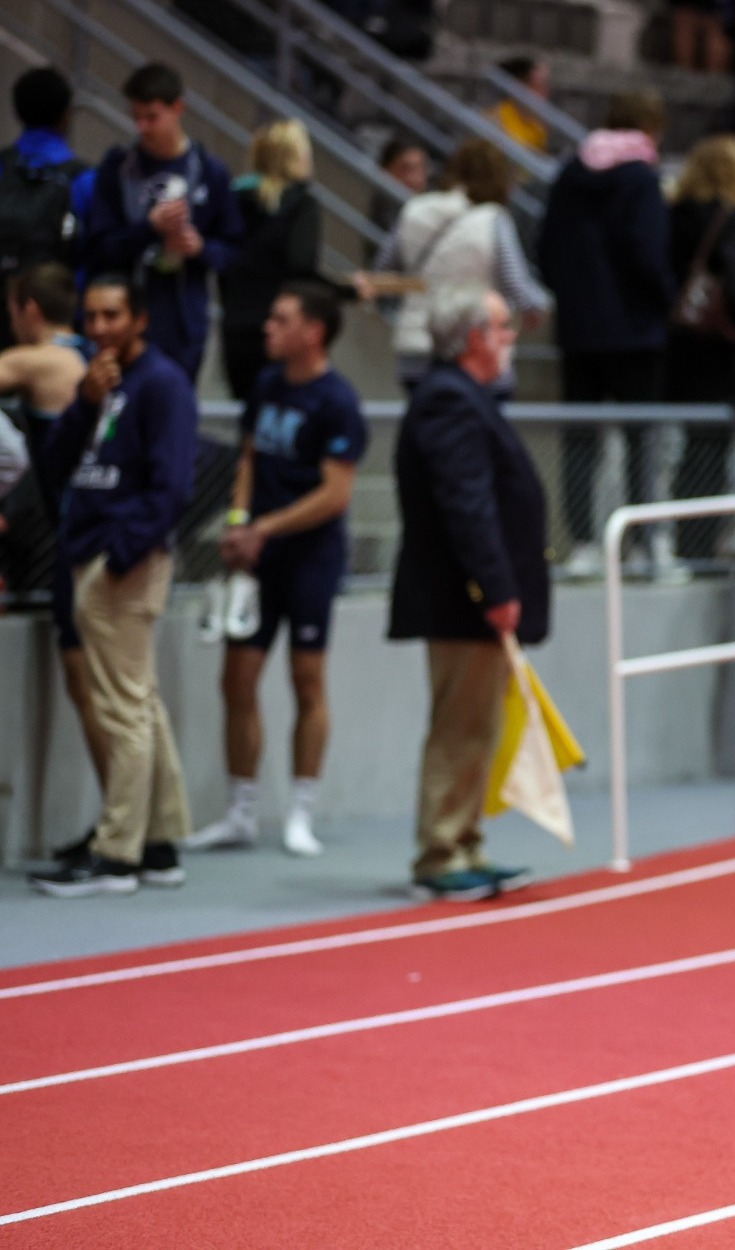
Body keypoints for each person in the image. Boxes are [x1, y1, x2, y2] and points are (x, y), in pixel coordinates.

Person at [29, 272, 196, 896]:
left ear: (139, 319)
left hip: (121, 561)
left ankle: (117, 852)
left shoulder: (163, 384)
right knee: (140, 703)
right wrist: (84, 405)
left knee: (122, 710)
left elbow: (173, 483)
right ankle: (156, 842)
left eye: (112, 316)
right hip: (93, 552)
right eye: (91, 317)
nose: (99, 328)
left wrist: (122, 555)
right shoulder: (103, 384)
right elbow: (59, 464)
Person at [184, 279, 363, 854]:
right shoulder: (265, 385)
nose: (268, 327)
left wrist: (267, 527)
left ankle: (302, 811)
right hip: (256, 558)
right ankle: (240, 811)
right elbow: (249, 459)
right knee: (236, 679)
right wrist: (239, 521)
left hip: (309, 558)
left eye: (281, 319)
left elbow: (335, 495)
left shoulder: (337, 401)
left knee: (306, 680)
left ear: (313, 332)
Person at [388, 285, 545, 901]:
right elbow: (467, 506)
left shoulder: (462, 398)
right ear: (475, 337)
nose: (511, 337)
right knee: (459, 727)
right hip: (464, 602)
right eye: (503, 327)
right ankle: (441, 852)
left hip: (473, 601)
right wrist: (496, 588)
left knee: (477, 727)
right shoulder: (449, 402)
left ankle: (466, 842)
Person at [537, 92, 675, 576]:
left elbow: (545, 248)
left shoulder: (568, 175)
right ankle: (640, 544)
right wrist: (664, 300)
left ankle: (581, 545)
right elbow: (647, 251)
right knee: (641, 440)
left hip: (579, 329)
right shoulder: (641, 177)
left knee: (579, 439)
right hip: (635, 330)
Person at [0, 265, 107, 846]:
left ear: (30, 312)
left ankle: (121, 823)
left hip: (83, 536)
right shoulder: (86, 356)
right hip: (91, 530)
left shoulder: (43, 358)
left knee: (93, 687)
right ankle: (131, 822)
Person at [84, 63, 243, 383]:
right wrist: (148, 228)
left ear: (177, 108)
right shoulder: (119, 167)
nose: (142, 127)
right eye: (136, 117)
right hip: (122, 324)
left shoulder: (209, 171)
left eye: (152, 117)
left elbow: (233, 250)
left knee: (172, 415)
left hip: (183, 324)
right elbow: (99, 247)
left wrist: (199, 248)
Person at [368, 137, 550, 390]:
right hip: (474, 350)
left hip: (415, 344)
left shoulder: (415, 208)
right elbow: (516, 285)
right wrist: (542, 305)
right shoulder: (494, 219)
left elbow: (381, 273)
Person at [217, 120, 323, 400]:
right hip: (282, 331)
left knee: (246, 420)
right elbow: (301, 269)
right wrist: (348, 291)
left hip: (235, 329)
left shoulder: (233, 197)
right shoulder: (301, 204)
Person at [1, 67, 96, 352]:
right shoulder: (84, 179)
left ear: (17, 113)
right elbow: (95, 254)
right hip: (55, 325)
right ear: (66, 116)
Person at [666, 131, 735, 402]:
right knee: (714, 431)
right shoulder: (731, 218)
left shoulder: (674, 211)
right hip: (718, 335)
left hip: (678, 329)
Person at [487, 56, 551, 155]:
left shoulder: (538, 128)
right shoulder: (495, 119)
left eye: (545, 85)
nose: (545, 92)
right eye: (538, 86)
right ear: (520, 86)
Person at [368, 132, 428, 233]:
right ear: (386, 171)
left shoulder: (432, 207)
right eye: (405, 169)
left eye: (420, 169)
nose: (414, 179)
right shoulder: (381, 209)